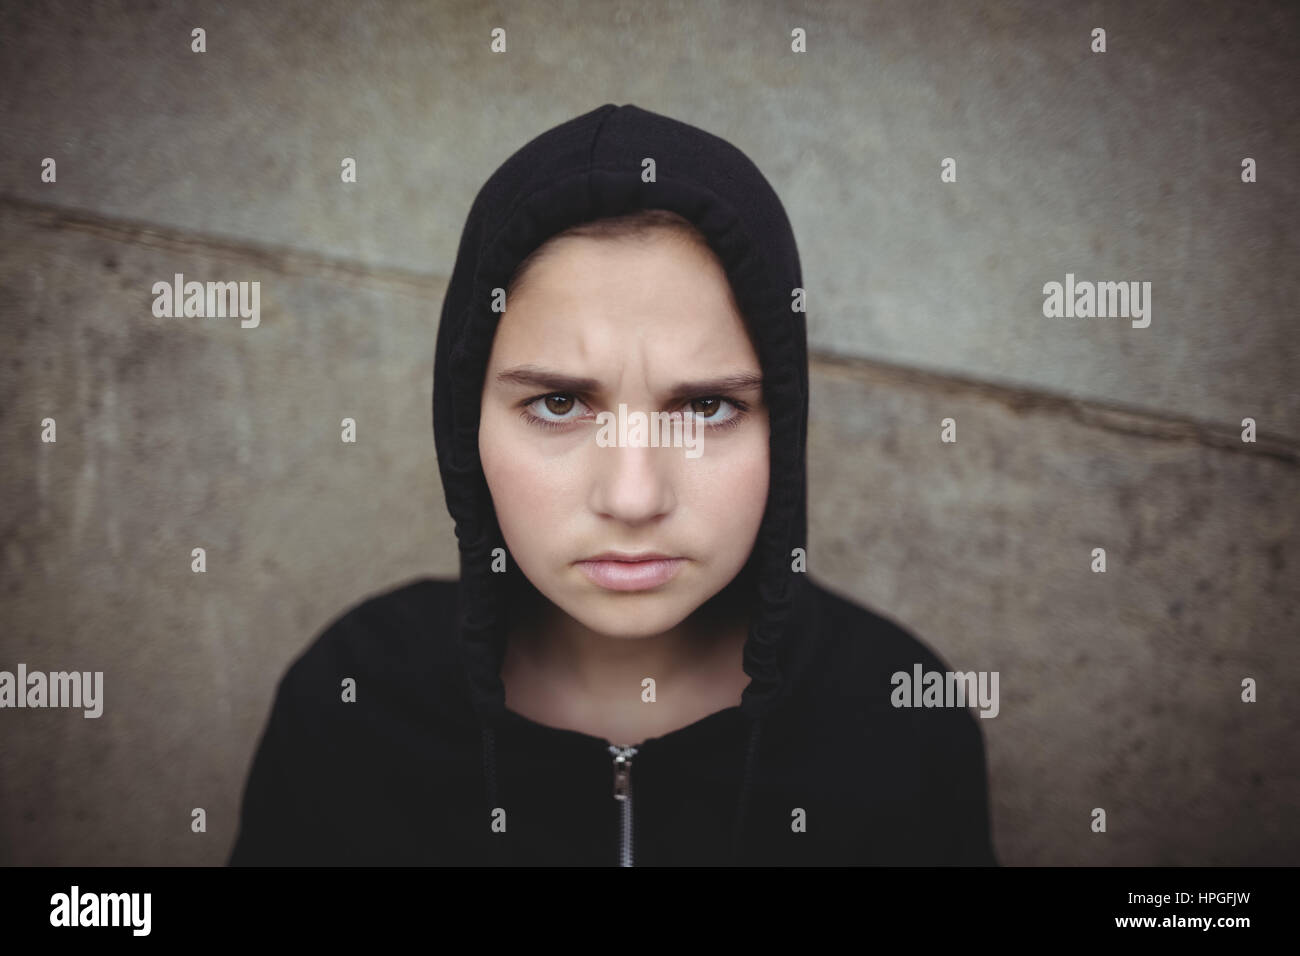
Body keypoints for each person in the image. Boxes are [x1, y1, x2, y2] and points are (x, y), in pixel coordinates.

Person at [228, 103, 997, 866]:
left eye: (706, 407)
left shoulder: (899, 714)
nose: (633, 498)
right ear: (464, 419)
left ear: (783, 420)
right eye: (558, 404)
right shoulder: (355, 702)